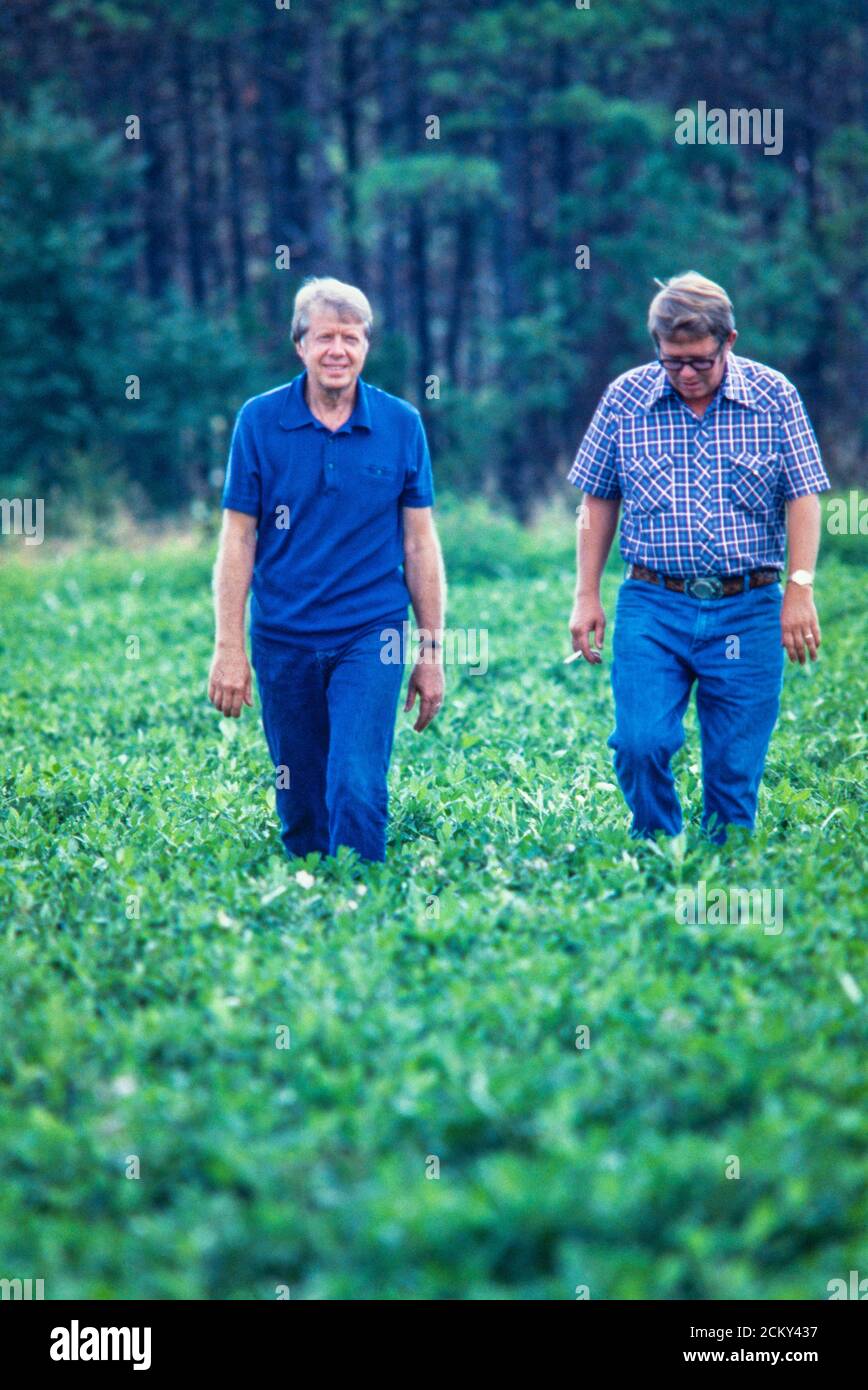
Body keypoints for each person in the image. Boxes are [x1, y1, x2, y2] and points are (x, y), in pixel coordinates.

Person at [567, 271, 830, 842]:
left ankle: (723, 882)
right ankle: (661, 851)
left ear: (728, 342)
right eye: (672, 361)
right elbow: (597, 499)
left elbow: (804, 497)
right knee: (641, 743)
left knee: (734, 772)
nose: (686, 373)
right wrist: (585, 593)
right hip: (653, 603)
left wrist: (800, 590)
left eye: (700, 361)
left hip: (748, 603)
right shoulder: (625, 398)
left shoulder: (774, 396)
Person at [208, 277, 446, 863]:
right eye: (324, 337)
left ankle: (362, 909)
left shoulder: (401, 423)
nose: (338, 350)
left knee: (356, 782)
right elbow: (238, 539)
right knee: (301, 797)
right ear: (300, 346)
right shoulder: (259, 421)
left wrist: (431, 650)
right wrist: (228, 646)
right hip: (283, 636)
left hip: (372, 633)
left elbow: (420, 545)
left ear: (366, 346)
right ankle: (313, 913)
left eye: (351, 337)